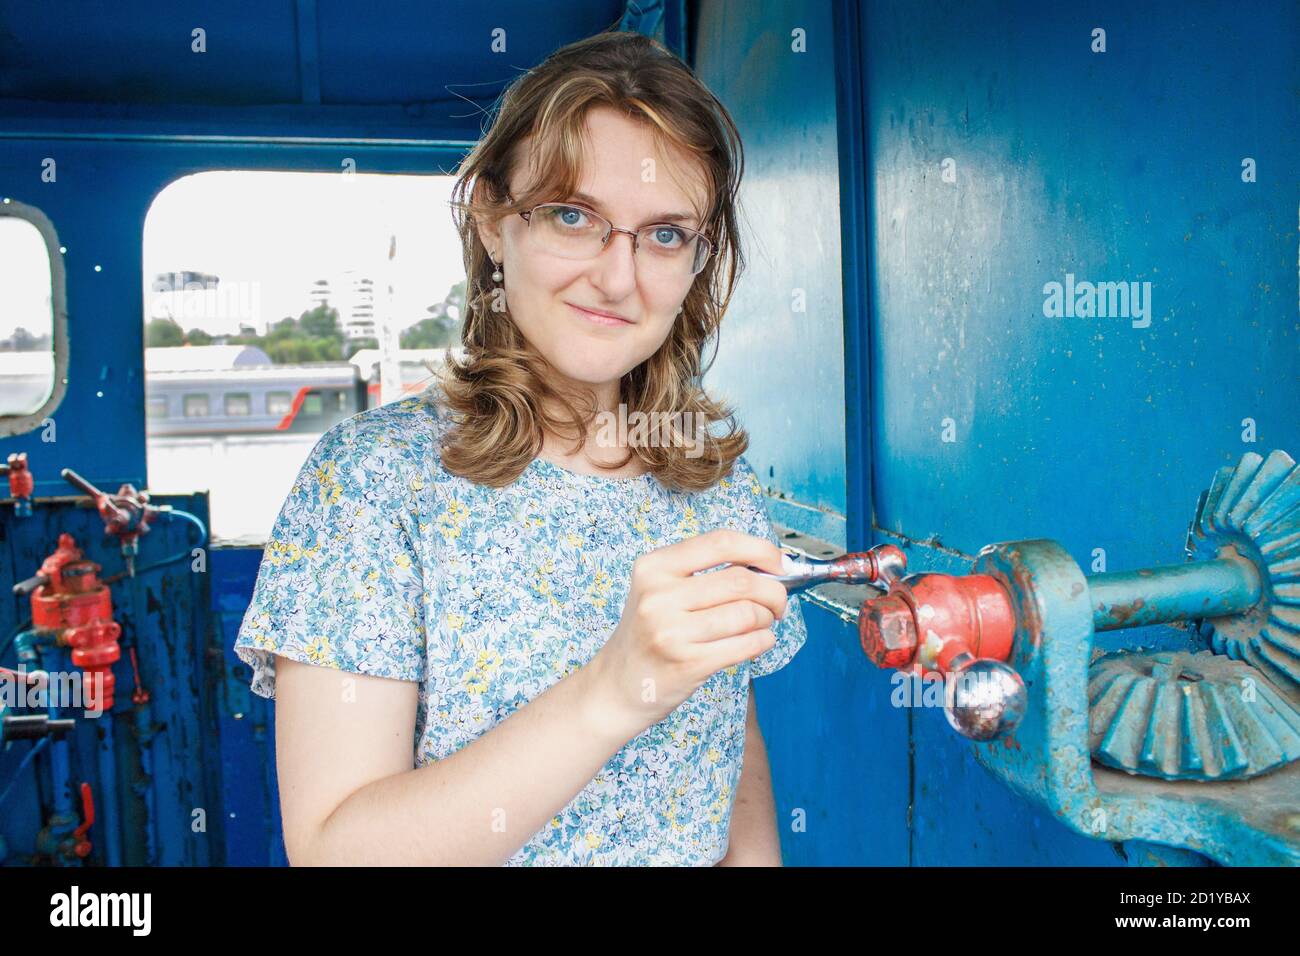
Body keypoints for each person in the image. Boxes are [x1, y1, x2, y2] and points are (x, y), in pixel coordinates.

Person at [233, 29, 808, 866]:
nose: (619, 278)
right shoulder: (371, 484)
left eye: (665, 234)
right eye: (574, 217)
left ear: (698, 263)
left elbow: (731, 743)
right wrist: (613, 688)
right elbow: (336, 850)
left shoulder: (714, 478)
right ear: (494, 223)